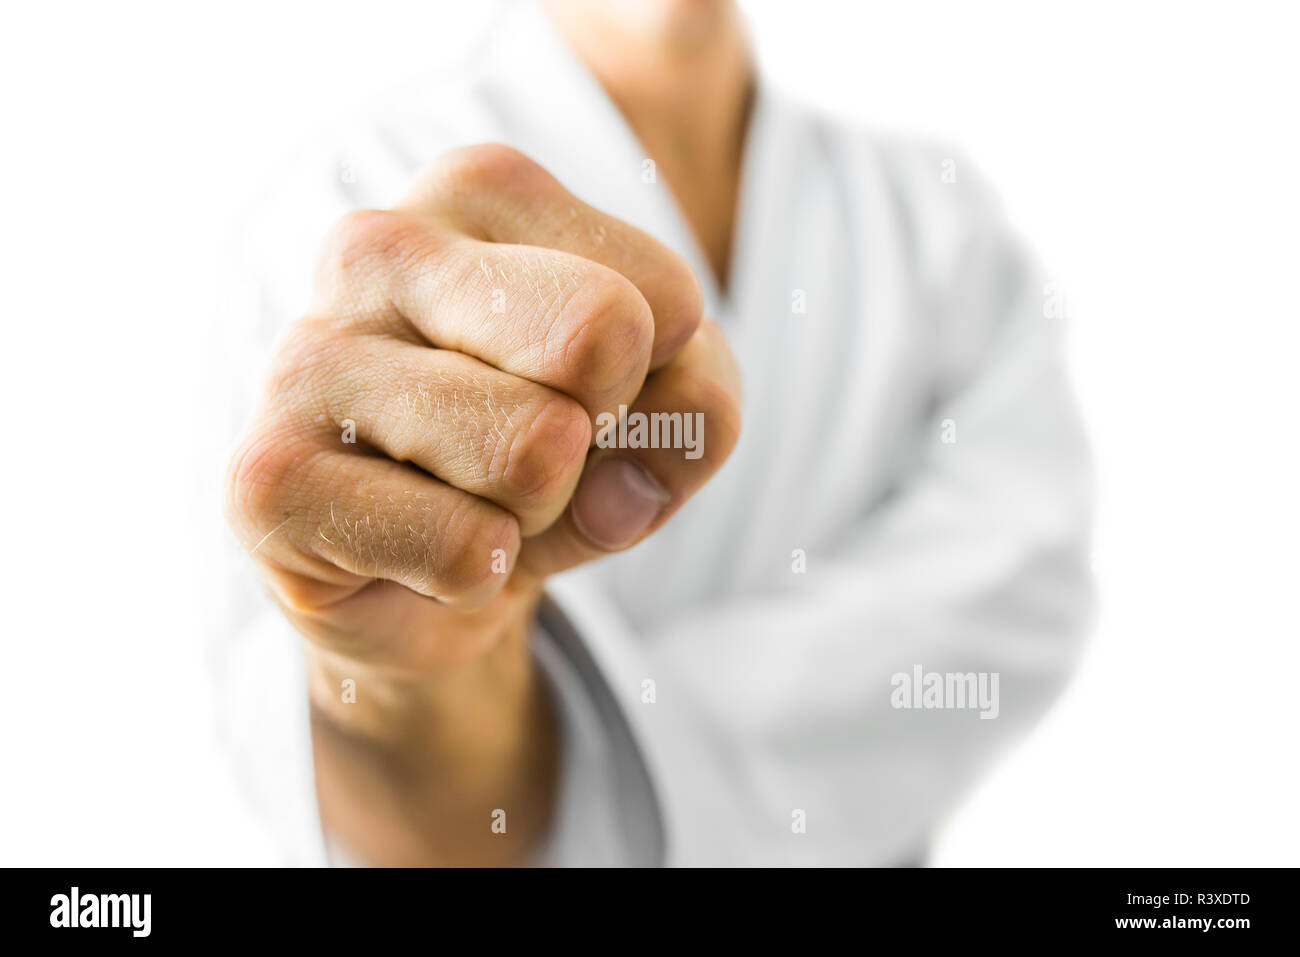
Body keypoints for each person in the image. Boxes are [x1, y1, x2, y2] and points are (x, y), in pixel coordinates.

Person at [220, 0, 1094, 866]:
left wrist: (591, 732)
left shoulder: (937, 226)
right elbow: (323, 771)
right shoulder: (350, 195)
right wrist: (405, 685)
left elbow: (1024, 595)